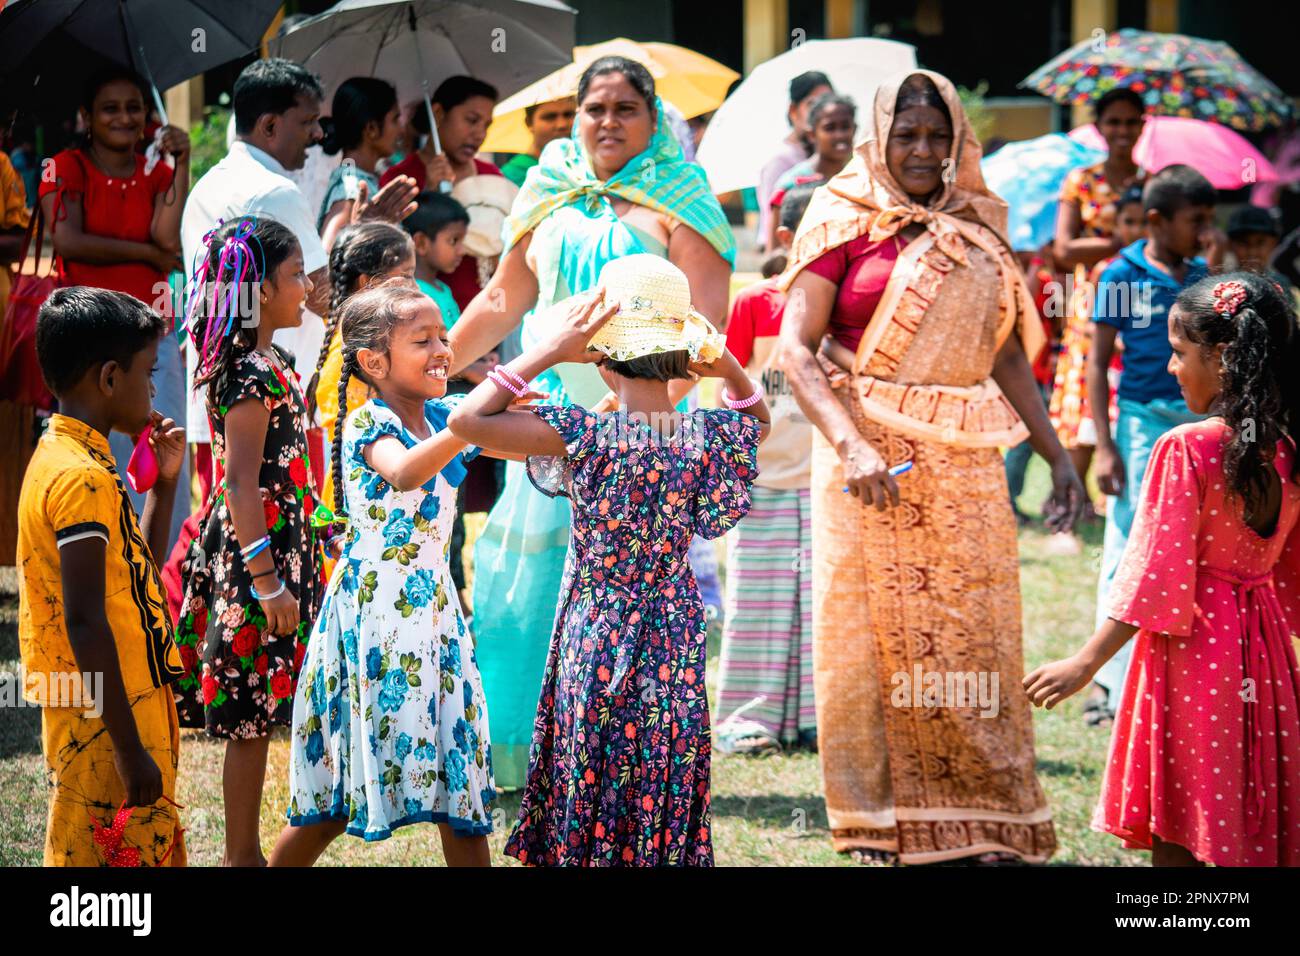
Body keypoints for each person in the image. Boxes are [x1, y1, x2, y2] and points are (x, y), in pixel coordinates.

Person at [778, 71, 1085, 866]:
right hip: (865, 458)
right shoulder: (841, 217)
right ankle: (878, 821)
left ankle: (985, 818)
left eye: (936, 136)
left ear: (958, 143)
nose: (922, 151)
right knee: (871, 638)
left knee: (970, 636)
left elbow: (1009, 353)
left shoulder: (979, 224)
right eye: (906, 135)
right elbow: (794, 352)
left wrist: (1057, 456)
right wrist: (852, 445)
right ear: (879, 140)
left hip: (964, 461)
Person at [443, 55, 735, 789]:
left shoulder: (682, 194)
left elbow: (707, 326)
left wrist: (648, 410)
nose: (608, 122)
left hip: (634, 425)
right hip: (547, 414)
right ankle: (519, 757)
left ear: (653, 117)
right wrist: (431, 368)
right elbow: (504, 302)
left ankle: (612, 765)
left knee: (616, 601)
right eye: (594, 108)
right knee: (520, 592)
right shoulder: (549, 187)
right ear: (575, 115)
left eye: (625, 109)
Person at [447, 261, 769, 866]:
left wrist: (542, 351)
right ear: (682, 357)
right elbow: (758, 418)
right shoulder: (704, 436)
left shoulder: (585, 435)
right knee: (661, 763)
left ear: (600, 360)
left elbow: (467, 420)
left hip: (597, 627)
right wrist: (721, 358)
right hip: (673, 628)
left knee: (590, 763)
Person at [1026, 272, 1300, 867]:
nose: (1172, 369)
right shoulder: (1286, 449)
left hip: (1194, 652)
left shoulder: (1187, 447)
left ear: (1223, 355)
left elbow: (1156, 574)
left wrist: (1086, 662)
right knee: (1252, 804)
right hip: (1268, 653)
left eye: (1179, 353)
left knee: (1181, 815)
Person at [271, 282, 496, 866]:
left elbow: (532, 436)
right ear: (374, 361)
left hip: (436, 620)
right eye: (423, 340)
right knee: (336, 798)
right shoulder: (370, 424)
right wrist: (473, 421)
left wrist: (601, 414)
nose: (443, 348)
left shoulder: (448, 417)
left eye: (444, 335)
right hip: (372, 623)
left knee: (463, 780)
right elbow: (405, 474)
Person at [181, 58, 417, 487]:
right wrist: (365, 237)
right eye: (308, 121)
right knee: (278, 528)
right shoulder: (275, 191)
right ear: (270, 126)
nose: (318, 135)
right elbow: (323, 296)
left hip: (217, 388)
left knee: (217, 528)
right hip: (274, 395)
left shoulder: (207, 185)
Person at [172, 216, 325, 866]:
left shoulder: (269, 363)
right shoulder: (249, 376)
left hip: (276, 547)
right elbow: (238, 485)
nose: (307, 287)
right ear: (259, 289)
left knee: (262, 713)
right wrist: (266, 582)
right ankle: (241, 857)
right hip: (253, 558)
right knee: (247, 716)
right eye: (294, 275)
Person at [19, 287, 187, 865]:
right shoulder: (82, 478)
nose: (156, 388)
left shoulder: (69, 458)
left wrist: (164, 486)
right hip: (109, 721)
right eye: (150, 371)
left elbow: (133, 572)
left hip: (112, 707)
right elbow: (87, 621)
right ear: (111, 378)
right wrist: (128, 748)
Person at [38, 67, 192, 554]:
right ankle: (100, 557)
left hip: (151, 336)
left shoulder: (157, 171)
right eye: (110, 108)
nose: (124, 117)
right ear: (86, 116)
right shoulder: (61, 166)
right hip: (86, 338)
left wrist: (183, 163)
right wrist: (145, 255)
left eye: (133, 107)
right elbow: (66, 238)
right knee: (96, 448)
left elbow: (169, 239)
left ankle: (166, 571)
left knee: (163, 445)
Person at [1088, 164, 1217, 719]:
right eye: (1197, 221)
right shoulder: (1120, 276)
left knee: (1190, 543)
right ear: (1159, 220)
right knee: (1131, 539)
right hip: (1139, 420)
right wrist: (1104, 444)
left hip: (1197, 421)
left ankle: (1163, 677)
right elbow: (1095, 363)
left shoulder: (1200, 278)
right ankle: (1109, 684)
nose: (1205, 231)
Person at [715, 182, 821, 755]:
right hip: (766, 477)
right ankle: (747, 720)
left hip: (829, 479)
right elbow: (730, 383)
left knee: (821, 602)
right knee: (757, 604)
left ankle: (817, 718)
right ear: (784, 237)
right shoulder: (757, 302)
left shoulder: (849, 307)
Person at [1048, 185, 1145, 525]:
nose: (1137, 230)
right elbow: (1095, 324)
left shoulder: (1153, 269)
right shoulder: (1112, 270)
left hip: (1133, 371)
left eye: (1143, 222)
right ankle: (1069, 511)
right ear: (1116, 226)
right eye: (1129, 222)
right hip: (1108, 369)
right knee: (1086, 437)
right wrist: (1127, 342)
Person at [307, 221, 416, 509]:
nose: (414, 287)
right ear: (368, 283)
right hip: (358, 498)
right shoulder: (359, 347)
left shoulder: (365, 336)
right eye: (406, 276)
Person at [380, 77, 502, 312]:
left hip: (486, 312)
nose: (479, 134)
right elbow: (388, 253)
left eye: (486, 125)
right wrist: (429, 196)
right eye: (471, 120)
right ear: (437, 113)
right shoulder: (399, 180)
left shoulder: (492, 177)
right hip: (421, 315)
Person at [316, 77, 405, 250]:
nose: (401, 129)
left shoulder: (357, 175)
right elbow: (328, 250)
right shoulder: (352, 184)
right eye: (395, 119)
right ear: (371, 128)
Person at [765, 93, 856, 252]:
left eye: (845, 127)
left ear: (854, 129)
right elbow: (774, 252)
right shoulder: (791, 183)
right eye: (830, 128)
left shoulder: (863, 178)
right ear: (812, 134)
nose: (840, 135)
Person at [757, 71, 832, 253]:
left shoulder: (831, 156)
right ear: (793, 111)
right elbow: (772, 224)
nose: (820, 111)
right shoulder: (780, 161)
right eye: (811, 104)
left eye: (826, 102)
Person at [500, 98, 577, 187]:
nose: (562, 125)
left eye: (568, 115)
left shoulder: (587, 167)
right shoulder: (510, 176)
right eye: (550, 117)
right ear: (529, 123)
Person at [1226, 204, 1294, 295]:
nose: (1252, 251)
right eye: (1243, 243)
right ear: (1230, 244)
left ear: (1273, 243)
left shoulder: (1281, 285)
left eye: (1260, 242)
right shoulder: (1222, 286)